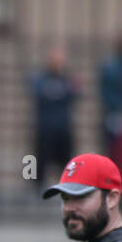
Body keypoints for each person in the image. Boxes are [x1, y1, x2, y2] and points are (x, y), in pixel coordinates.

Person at [29, 45, 81, 187]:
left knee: (66, 164)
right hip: (45, 128)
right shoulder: (40, 78)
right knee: (38, 160)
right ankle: (35, 186)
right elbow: (36, 91)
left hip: (63, 128)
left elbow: (75, 93)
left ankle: (68, 187)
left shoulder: (68, 80)